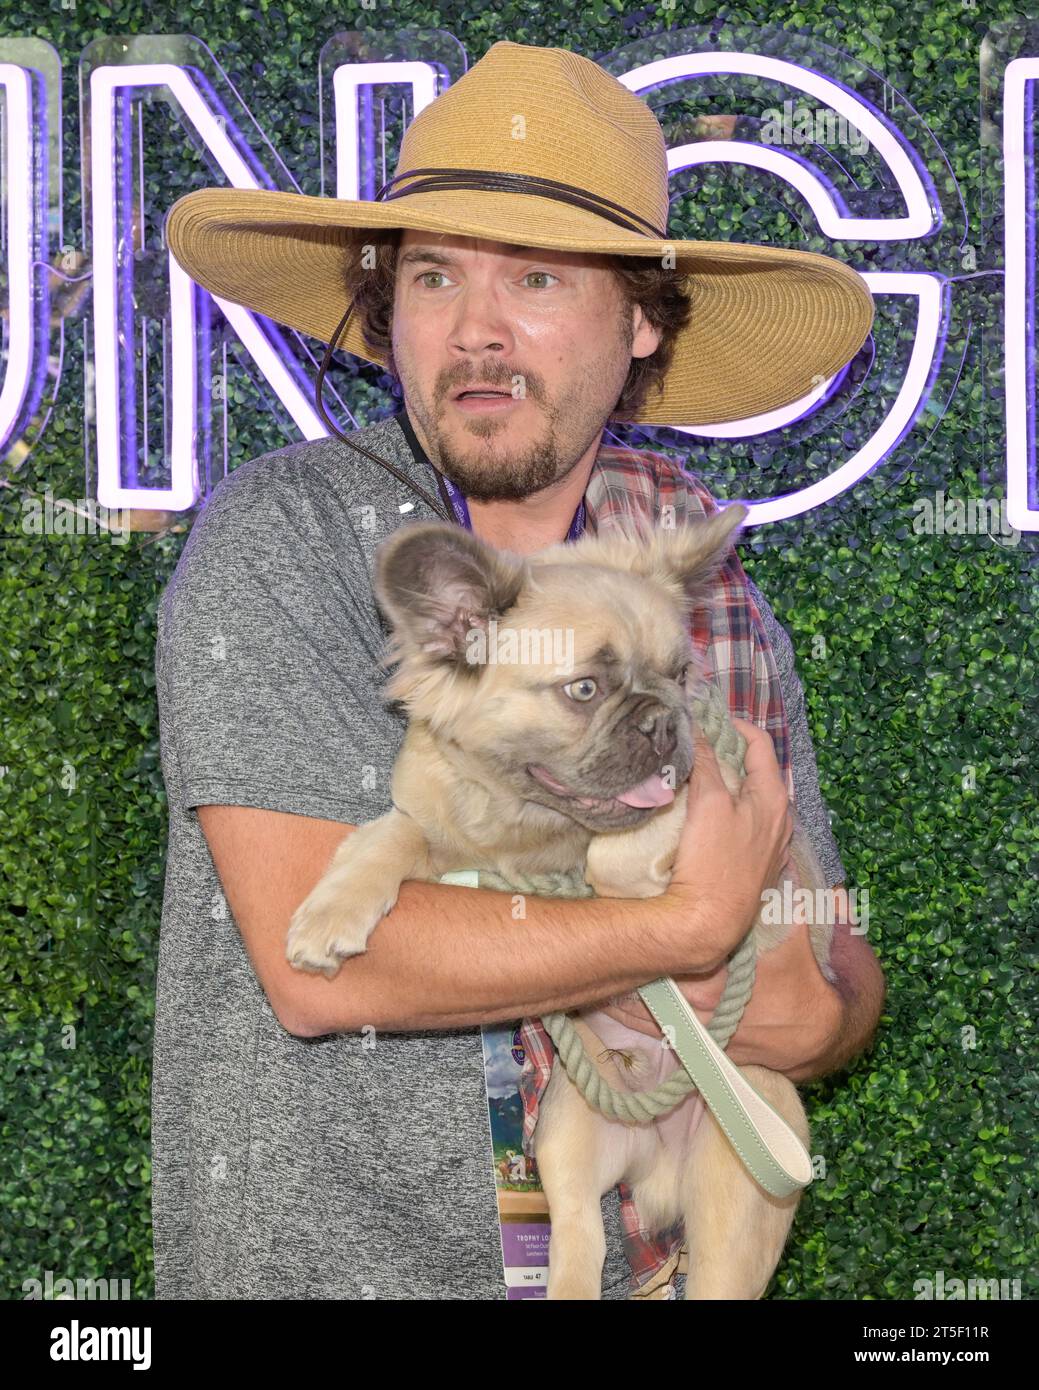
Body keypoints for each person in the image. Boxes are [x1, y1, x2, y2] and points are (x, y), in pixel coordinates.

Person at [153, 40, 886, 1299]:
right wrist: (691, 930)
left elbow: (828, 966)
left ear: (642, 317)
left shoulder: (700, 592)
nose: (475, 332)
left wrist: (815, 1017)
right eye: (434, 277)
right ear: (390, 314)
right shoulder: (291, 540)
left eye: (537, 278)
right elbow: (328, 959)